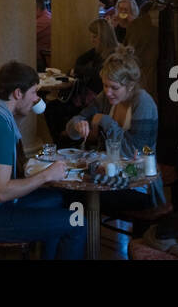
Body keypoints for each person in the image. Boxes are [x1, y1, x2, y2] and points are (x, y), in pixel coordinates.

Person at [0, 61, 85, 259]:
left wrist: (21, 112)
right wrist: (46, 175)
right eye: (33, 92)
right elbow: (2, 192)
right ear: (18, 93)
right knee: (77, 222)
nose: (36, 99)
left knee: (57, 199)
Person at [66, 48, 162, 213]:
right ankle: (83, 235)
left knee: (77, 199)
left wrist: (106, 121)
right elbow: (73, 125)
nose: (108, 92)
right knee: (70, 194)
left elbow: (132, 151)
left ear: (130, 86)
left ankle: (85, 236)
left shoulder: (144, 104)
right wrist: (78, 125)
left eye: (114, 87)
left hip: (137, 182)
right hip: (108, 176)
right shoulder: (105, 98)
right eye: (105, 85)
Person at [44, 18, 119, 141]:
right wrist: (79, 69)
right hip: (89, 95)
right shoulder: (98, 51)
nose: (92, 40)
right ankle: (63, 139)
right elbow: (80, 60)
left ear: (103, 37)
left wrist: (78, 70)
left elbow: (97, 73)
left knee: (53, 109)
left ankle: (64, 139)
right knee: (52, 107)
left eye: (95, 37)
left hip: (98, 97)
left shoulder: (112, 55)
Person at [35, 0, 53, 69]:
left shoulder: (43, 21)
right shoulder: (46, 15)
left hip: (40, 60)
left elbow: (22, 36)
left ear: (37, 9)